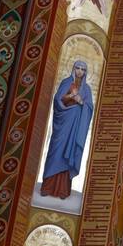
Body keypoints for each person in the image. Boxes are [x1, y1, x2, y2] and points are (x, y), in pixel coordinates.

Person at [39, 60, 94, 199]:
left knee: (69, 153)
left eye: (83, 69)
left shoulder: (86, 89)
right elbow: (58, 100)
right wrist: (70, 96)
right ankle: (47, 186)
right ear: (73, 68)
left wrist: (81, 102)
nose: (80, 71)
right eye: (78, 68)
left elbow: (89, 107)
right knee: (56, 151)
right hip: (63, 124)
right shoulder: (66, 83)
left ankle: (63, 190)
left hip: (75, 127)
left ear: (85, 72)